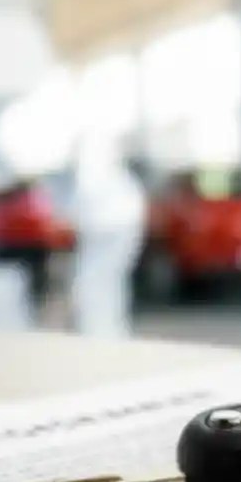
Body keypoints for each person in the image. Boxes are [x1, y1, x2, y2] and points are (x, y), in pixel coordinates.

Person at [68, 137, 146, 337]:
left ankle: (100, 332)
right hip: (116, 232)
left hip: (108, 233)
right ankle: (107, 331)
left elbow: (86, 204)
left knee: (97, 285)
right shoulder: (117, 177)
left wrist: (77, 222)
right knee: (108, 285)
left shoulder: (97, 172)